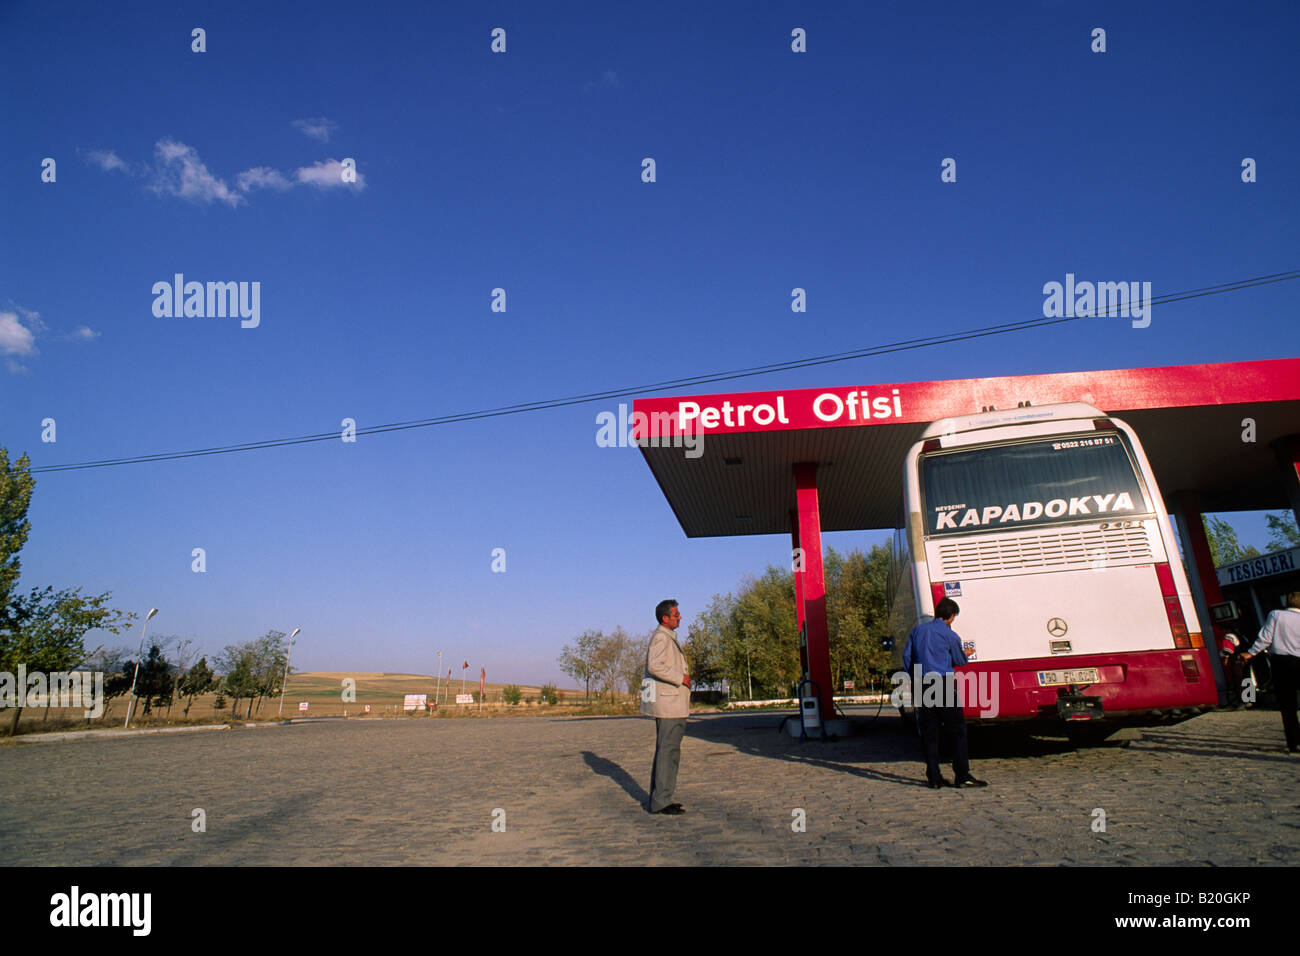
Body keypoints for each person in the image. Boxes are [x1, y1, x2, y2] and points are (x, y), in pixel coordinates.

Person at [902, 597, 987, 789]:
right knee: (957, 730)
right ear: (951, 616)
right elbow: (959, 660)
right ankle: (962, 775)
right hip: (943, 683)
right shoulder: (950, 635)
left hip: (922, 683)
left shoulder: (918, 630)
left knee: (929, 732)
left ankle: (934, 777)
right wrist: (966, 654)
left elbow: (907, 656)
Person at [642, 599, 690, 814]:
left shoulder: (667, 637)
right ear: (665, 618)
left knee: (669, 752)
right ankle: (661, 801)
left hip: (673, 704)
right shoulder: (661, 637)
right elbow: (654, 665)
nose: (680, 617)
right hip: (668, 705)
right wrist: (680, 677)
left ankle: (662, 797)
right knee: (667, 752)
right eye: (676, 614)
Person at [1241, 591, 1300, 753]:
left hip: (1282, 662)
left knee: (1287, 704)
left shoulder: (1276, 615)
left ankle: (1294, 742)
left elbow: (1266, 638)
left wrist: (1251, 653)